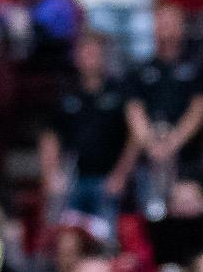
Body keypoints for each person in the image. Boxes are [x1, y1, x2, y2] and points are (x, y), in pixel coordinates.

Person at [42, 31, 141, 224]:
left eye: (95, 52)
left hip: (107, 180)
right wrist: (51, 175)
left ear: (104, 56)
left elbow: (135, 136)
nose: (90, 57)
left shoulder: (120, 91)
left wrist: (120, 175)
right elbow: (50, 136)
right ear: (76, 56)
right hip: (72, 179)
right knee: (65, 234)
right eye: (85, 51)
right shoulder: (65, 92)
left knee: (107, 238)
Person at [126, 3, 203, 214]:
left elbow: (199, 108)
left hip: (188, 156)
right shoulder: (141, 69)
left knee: (188, 214)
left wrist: (174, 142)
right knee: (149, 214)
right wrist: (151, 144)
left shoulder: (196, 66)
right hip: (150, 158)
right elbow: (134, 109)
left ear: (182, 27)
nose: (165, 28)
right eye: (161, 22)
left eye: (171, 22)